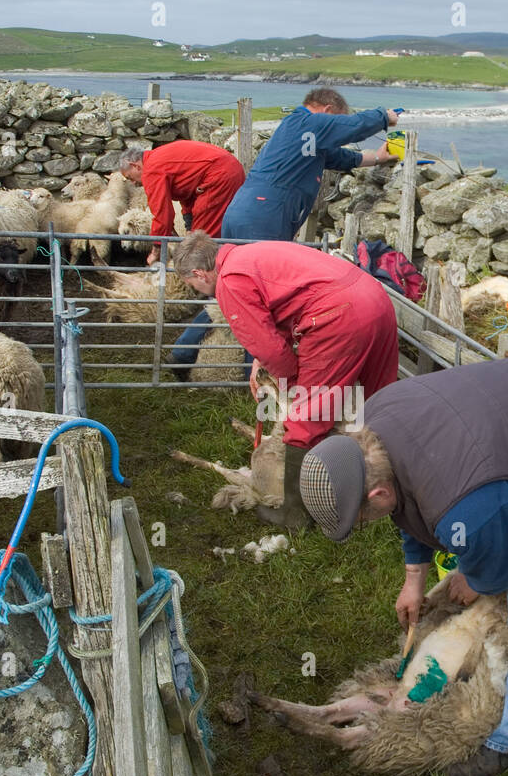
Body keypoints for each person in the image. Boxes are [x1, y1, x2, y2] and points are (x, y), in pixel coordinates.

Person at [296, 357, 508, 776]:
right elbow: (410, 501)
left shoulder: (465, 500)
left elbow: (496, 566)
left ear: (377, 491)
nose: (369, 523)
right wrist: (414, 578)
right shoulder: (373, 431)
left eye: (364, 517)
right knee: (487, 529)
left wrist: (473, 579)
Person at [173, 231, 400, 526]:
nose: (199, 292)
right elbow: (276, 314)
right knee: (373, 401)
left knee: (306, 417)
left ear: (199, 273)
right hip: (375, 301)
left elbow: (277, 356)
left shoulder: (229, 282)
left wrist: (293, 387)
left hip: (337, 316)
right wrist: (260, 359)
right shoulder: (250, 253)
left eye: (193, 286)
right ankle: (393, 492)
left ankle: (295, 512)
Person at [220, 88, 400, 243]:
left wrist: (377, 157)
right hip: (264, 215)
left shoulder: (304, 135)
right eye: (335, 121)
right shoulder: (308, 121)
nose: (334, 131)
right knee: (264, 277)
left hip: (244, 210)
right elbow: (353, 126)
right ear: (327, 111)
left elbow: (341, 157)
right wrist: (384, 116)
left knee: (236, 276)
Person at [119, 142, 245, 264]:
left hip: (220, 176)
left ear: (135, 165)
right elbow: (187, 193)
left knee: (201, 244)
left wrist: (156, 249)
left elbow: (162, 214)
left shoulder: (151, 170)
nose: (133, 183)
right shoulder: (158, 159)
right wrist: (189, 227)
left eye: (130, 177)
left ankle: (211, 278)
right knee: (217, 233)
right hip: (229, 169)